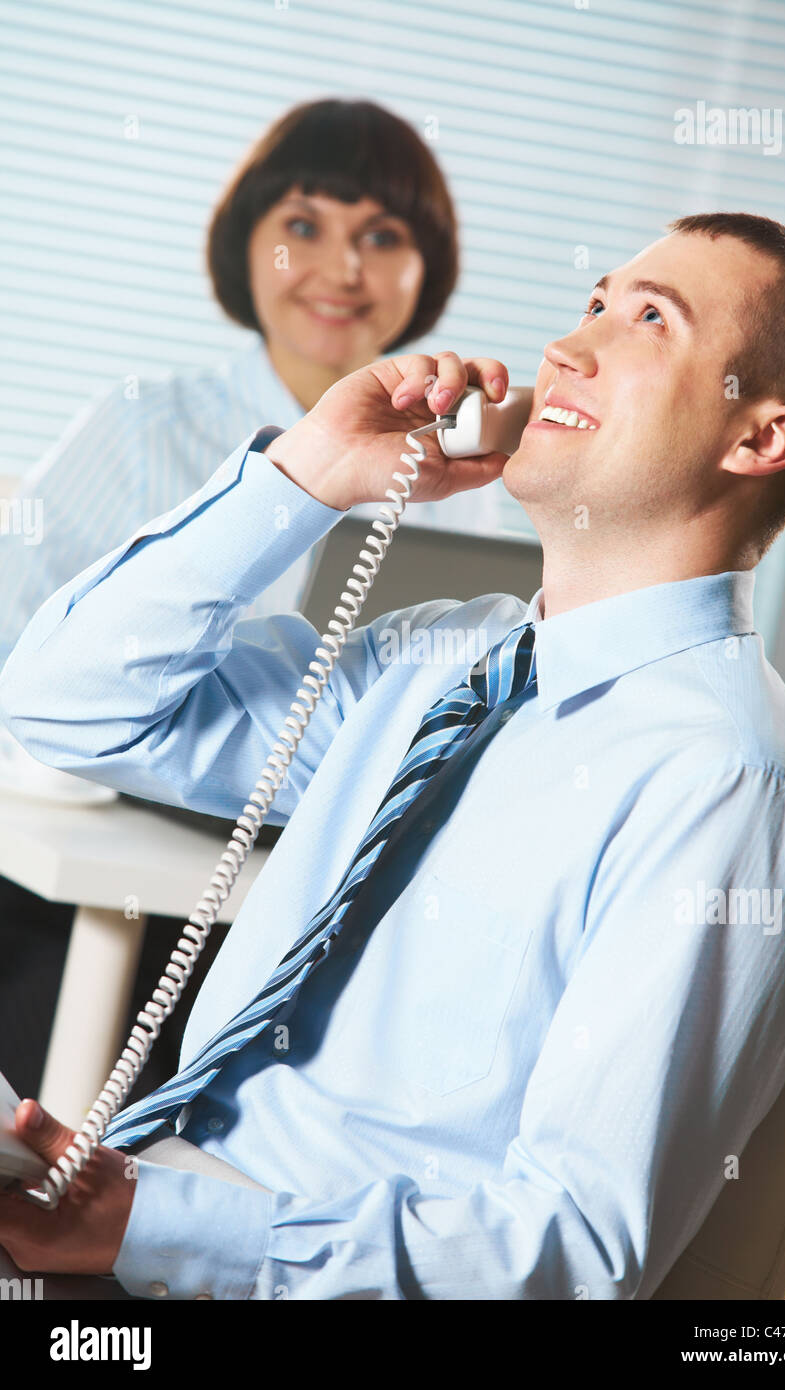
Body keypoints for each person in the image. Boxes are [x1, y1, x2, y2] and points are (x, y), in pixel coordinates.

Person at [1, 212, 785, 1301]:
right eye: (593, 301)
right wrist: (308, 475)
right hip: (141, 1231)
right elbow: (68, 703)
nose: (570, 343)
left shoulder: (731, 787)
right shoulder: (440, 659)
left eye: (648, 320)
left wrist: (152, 1224)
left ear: (759, 439)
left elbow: (570, 1249)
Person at [0, 96, 461, 1104]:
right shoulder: (139, 424)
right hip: (80, 885)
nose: (342, 270)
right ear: (243, 243)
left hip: (299, 897)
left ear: (426, 265)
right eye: (303, 226)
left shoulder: (454, 479)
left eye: (380, 237)